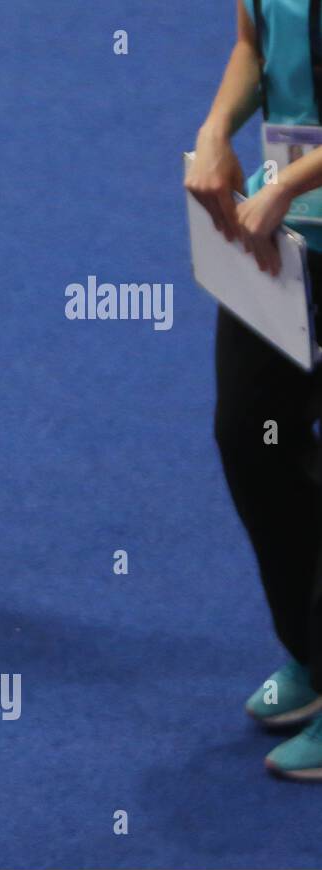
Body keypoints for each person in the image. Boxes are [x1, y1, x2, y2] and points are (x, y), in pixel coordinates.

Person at [186, 0, 322, 779]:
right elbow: (253, 42)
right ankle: (310, 650)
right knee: (250, 436)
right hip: (287, 241)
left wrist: (285, 185)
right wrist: (215, 132)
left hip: (283, 205)